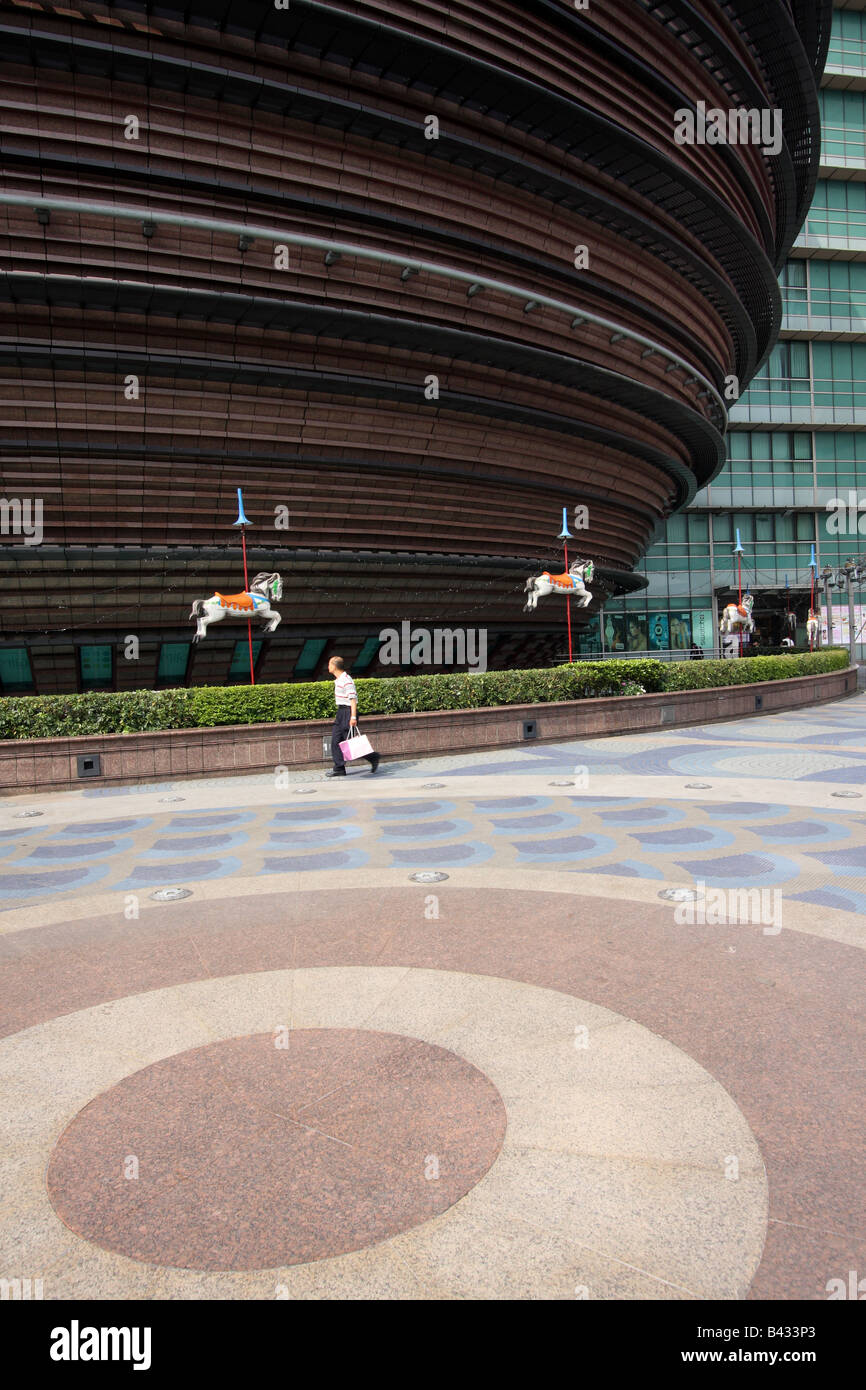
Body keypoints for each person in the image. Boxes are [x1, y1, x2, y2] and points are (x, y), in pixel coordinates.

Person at [325, 655, 380, 778]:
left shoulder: (346, 680)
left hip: (348, 712)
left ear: (334, 666)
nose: (328, 667)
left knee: (351, 743)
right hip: (341, 712)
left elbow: (353, 699)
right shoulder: (339, 680)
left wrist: (353, 717)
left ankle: (373, 757)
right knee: (335, 741)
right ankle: (339, 768)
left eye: (329, 664)